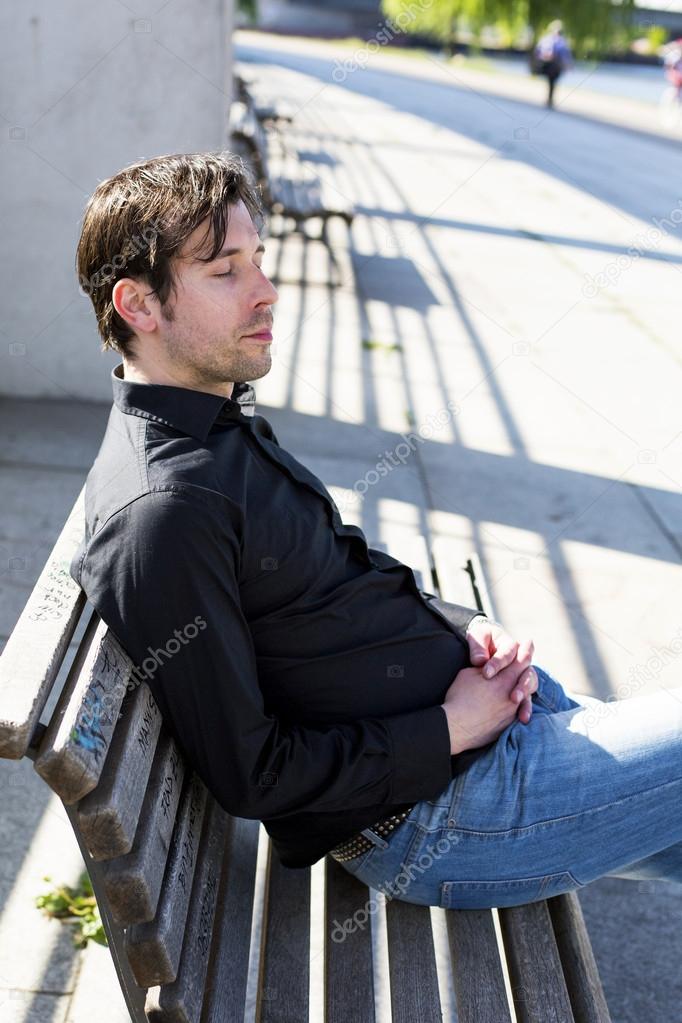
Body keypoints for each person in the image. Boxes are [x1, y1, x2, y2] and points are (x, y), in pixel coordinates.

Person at [71, 151, 682, 911]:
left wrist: (467, 625)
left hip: (479, 734)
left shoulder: (212, 422)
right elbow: (253, 774)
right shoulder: (164, 510)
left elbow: (340, 571)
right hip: (443, 816)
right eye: (226, 272)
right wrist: (449, 726)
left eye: (259, 260)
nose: (266, 292)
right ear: (139, 305)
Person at [532, 19, 573, 108]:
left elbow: (538, 51)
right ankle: (550, 99)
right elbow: (565, 56)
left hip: (549, 65)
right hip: (555, 66)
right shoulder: (562, 42)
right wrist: (568, 66)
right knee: (552, 82)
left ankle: (549, 99)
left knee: (551, 82)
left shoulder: (546, 39)